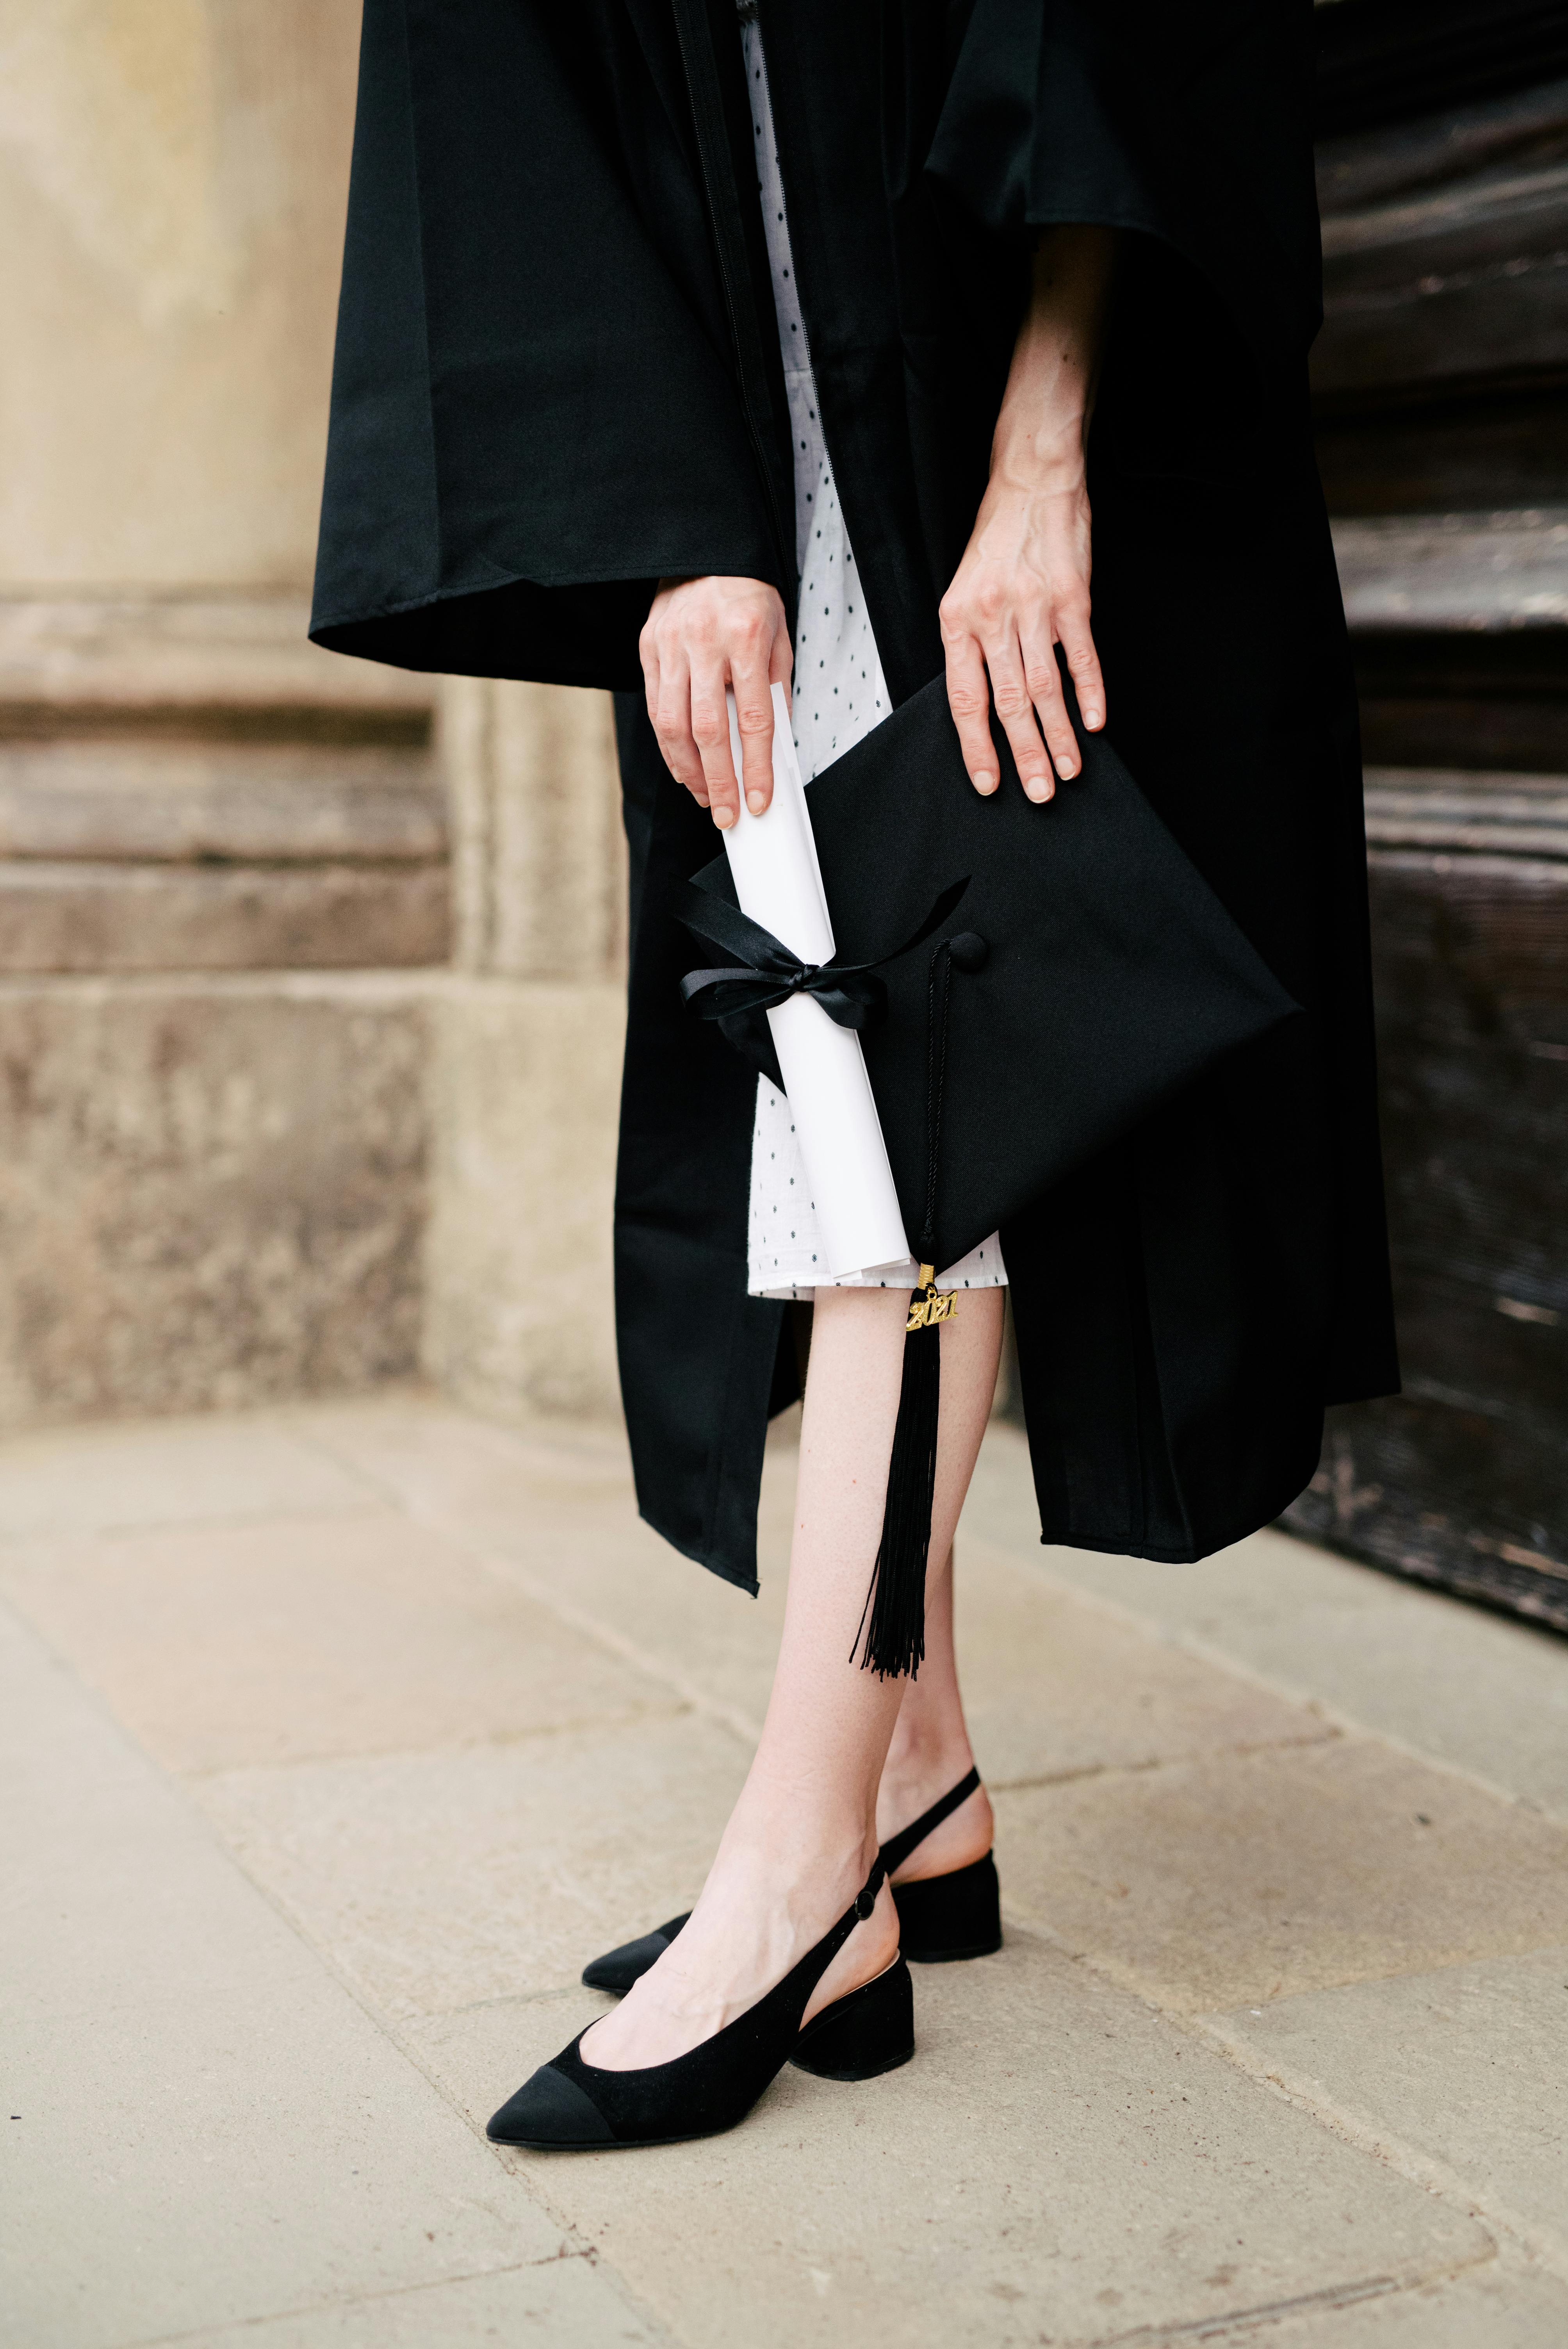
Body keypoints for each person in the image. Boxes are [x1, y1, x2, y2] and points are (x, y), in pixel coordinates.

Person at [311, 0, 1398, 2148]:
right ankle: (922, 1789)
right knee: (837, 1066)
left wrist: (1041, 448)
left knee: (904, 1093)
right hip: (734, 424)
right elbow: (494, 82)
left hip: (1014, 403)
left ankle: (801, 1861)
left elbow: (1124, 39)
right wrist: (666, 521)